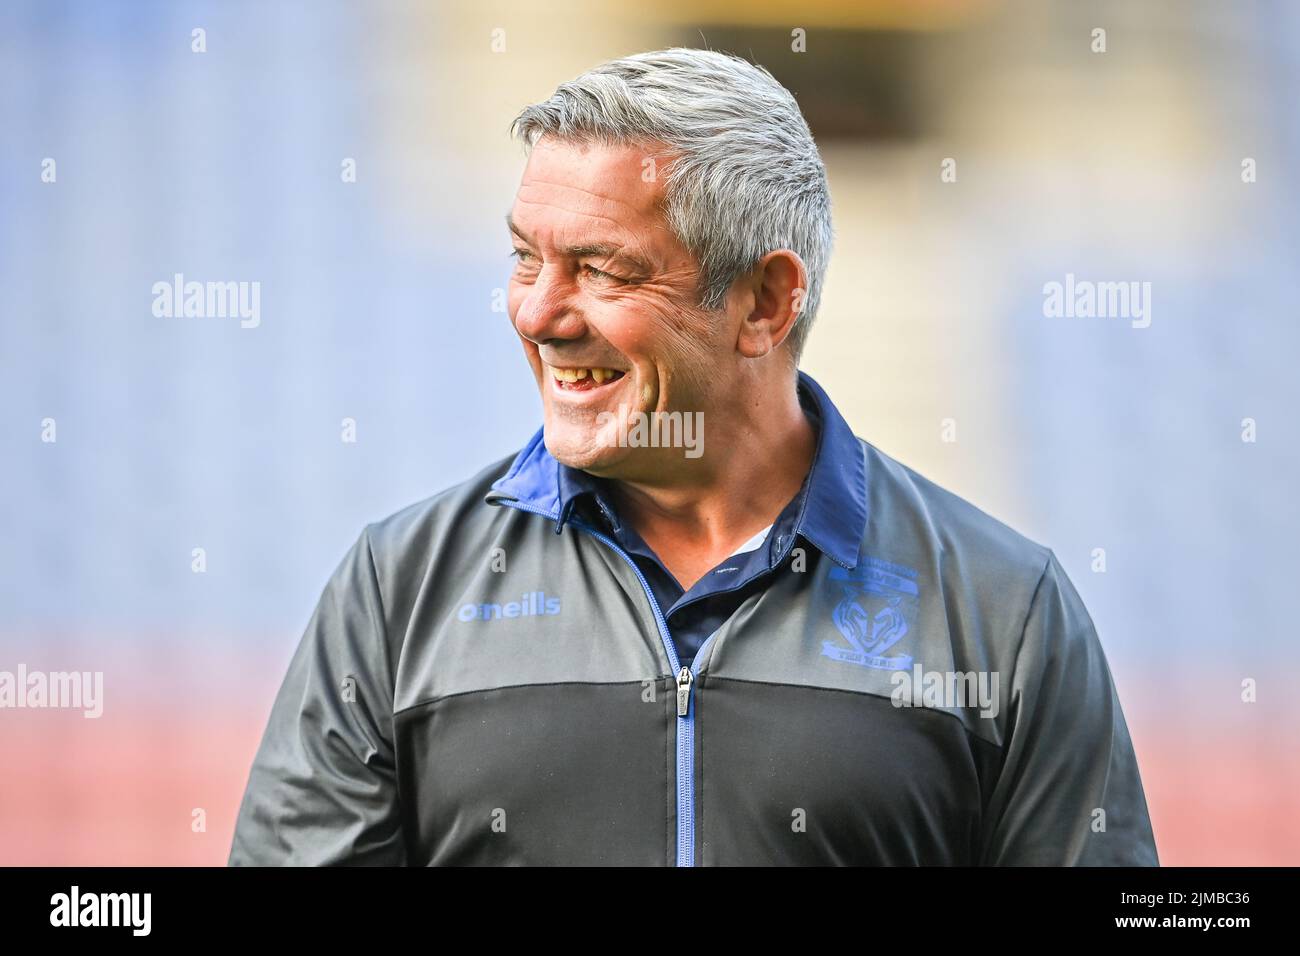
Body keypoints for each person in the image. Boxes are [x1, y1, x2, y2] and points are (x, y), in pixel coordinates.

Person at [228, 48, 1158, 866]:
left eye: (599, 269)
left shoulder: (1004, 610)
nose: (536, 314)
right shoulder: (400, 592)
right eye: (525, 259)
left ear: (764, 301)